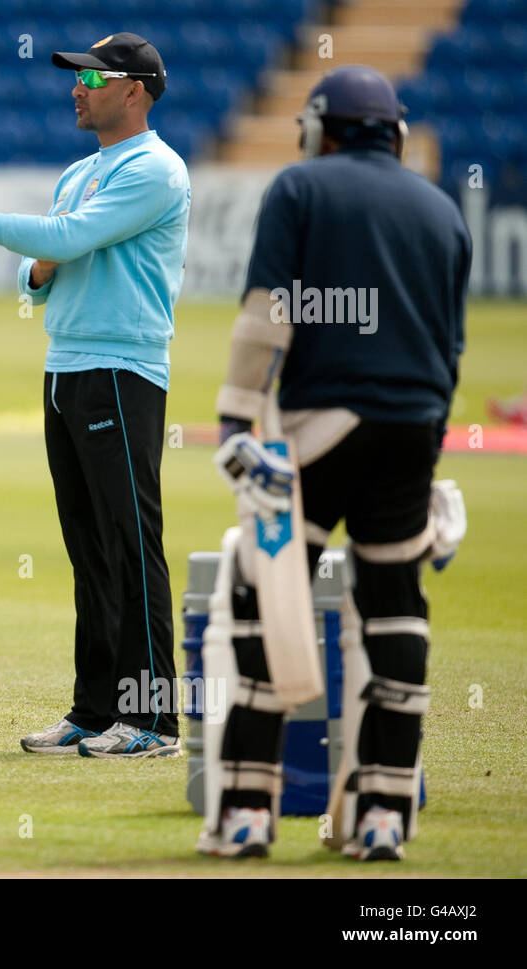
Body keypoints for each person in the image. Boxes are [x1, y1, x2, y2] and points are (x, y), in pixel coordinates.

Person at [198, 65, 470, 860]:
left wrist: (235, 421)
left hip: (317, 433)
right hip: (411, 429)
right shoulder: (443, 207)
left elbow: (264, 318)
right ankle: (382, 814)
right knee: (396, 608)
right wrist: (427, 439)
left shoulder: (300, 188)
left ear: (326, 127)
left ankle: (248, 811)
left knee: (263, 594)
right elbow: (450, 351)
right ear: (393, 131)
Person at [0, 32, 189, 758]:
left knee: (130, 542)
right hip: (67, 368)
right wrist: (38, 266)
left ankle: (154, 719)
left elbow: (70, 237)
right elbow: (43, 265)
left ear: (135, 90)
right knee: (88, 550)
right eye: (76, 76)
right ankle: (95, 708)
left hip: (121, 370)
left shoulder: (156, 168)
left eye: (91, 76)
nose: (76, 87)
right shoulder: (80, 170)